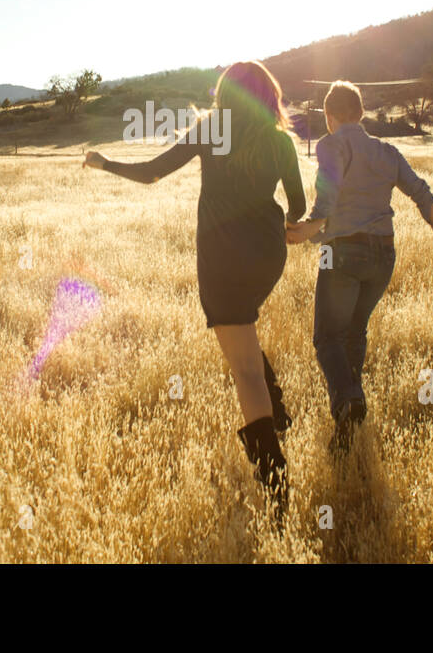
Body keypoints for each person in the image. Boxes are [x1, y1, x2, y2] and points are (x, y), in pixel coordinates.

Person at [84, 61, 304, 521]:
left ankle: (276, 483)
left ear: (225, 94)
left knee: (243, 367)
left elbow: (152, 174)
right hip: (267, 256)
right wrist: (285, 223)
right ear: (269, 95)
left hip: (223, 257)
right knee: (243, 331)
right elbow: (297, 207)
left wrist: (105, 163)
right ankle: (278, 409)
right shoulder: (281, 139)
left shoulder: (210, 130)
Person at [287, 81, 433, 453]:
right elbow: (422, 194)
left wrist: (305, 231)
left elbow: (326, 202)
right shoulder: (387, 151)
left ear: (330, 117)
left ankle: (348, 399)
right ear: (361, 114)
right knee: (354, 333)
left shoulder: (332, 144)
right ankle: (350, 416)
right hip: (383, 256)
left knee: (327, 338)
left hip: (342, 254)